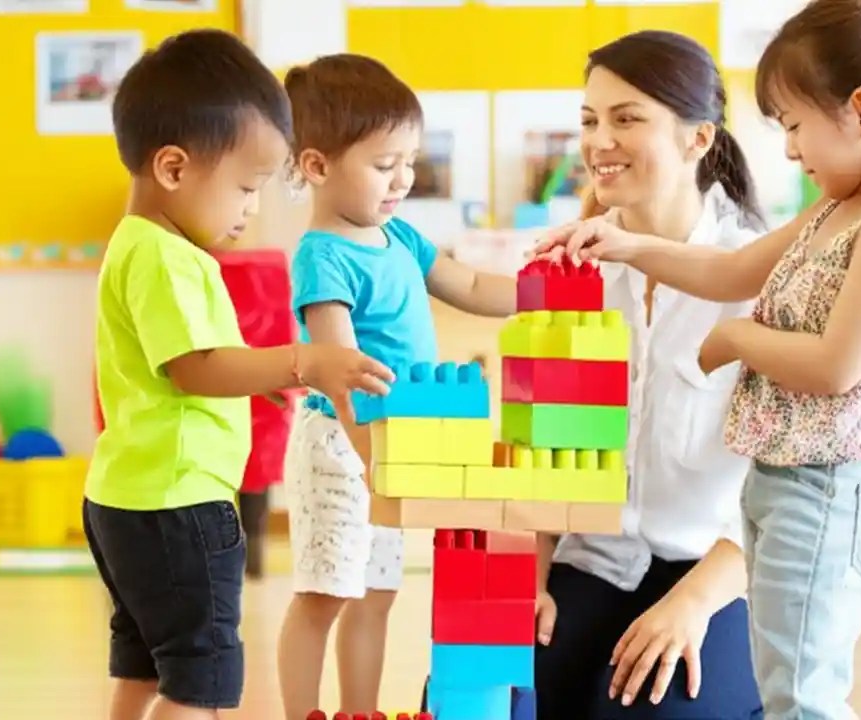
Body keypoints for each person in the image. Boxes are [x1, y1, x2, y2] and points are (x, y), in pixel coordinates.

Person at [535, 3, 861, 718]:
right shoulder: (830, 211)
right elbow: (730, 272)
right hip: (782, 488)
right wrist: (624, 245)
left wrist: (735, 341)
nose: (787, 149)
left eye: (792, 124)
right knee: (788, 678)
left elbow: (838, 366)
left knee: (803, 689)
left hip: (833, 492)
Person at [85, 30, 395, 720]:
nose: (251, 209)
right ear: (173, 168)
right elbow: (196, 368)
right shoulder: (169, 257)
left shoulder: (136, 243)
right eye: (246, 188)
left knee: (145, 662)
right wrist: (302, 359)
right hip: (178, 501)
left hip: (127, 496)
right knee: (202, 678)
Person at [531, 31, 766, 720]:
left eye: (627, 118)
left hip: (715, 576)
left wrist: (692, 604)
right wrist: (528, 576)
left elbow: (787, 483)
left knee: (640, 710)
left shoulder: (756, 275)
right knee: (475, 690)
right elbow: (547, 443)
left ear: (700, 139)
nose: (600, 140)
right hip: (594, 560)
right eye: (589, 120)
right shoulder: (574, 269)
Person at [276, 54, 518, 720]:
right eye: (385, 165)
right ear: (318, 166)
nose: (403, 179)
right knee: (326, 592)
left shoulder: (400, 236)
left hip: (397, 441)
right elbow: (341, 368)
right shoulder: (323, 256)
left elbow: (467, 285)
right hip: (341, 443)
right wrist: (367, 455)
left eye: (410, 161)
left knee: (378, 592)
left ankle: (361, 709)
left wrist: (536, 294)